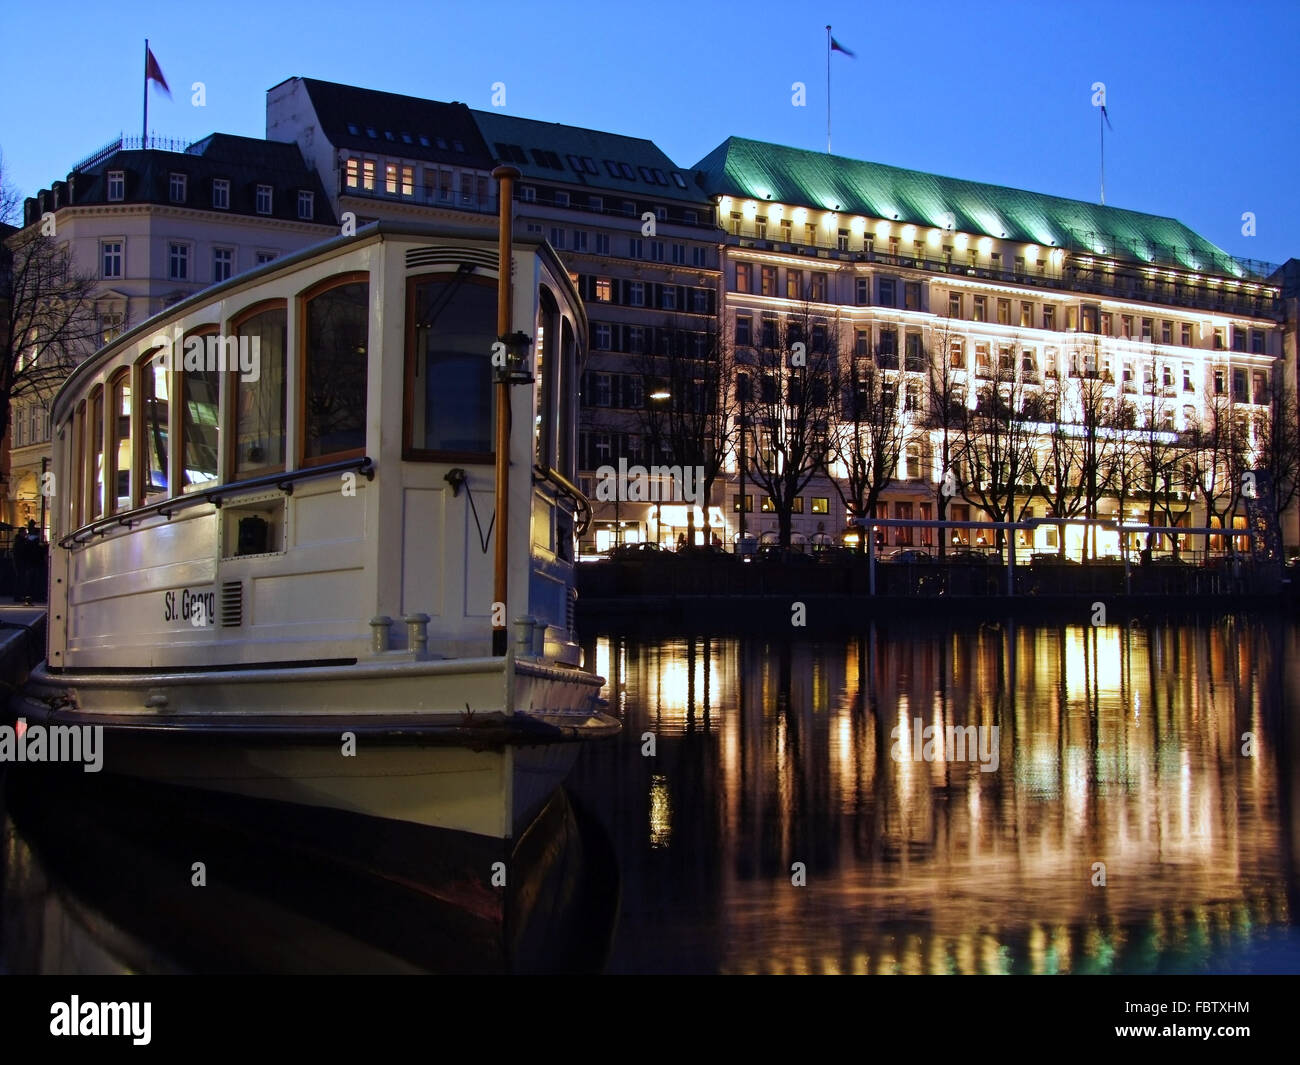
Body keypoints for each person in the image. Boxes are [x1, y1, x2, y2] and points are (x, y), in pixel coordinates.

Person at [12, 520, 42, 605]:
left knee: (21, 579)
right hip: (20, 563)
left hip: (20, 562)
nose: (26, 533)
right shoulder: (20, 541)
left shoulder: (20, 540)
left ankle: (20, 595)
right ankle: (18, 596)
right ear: (21, 532)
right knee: (20, 579)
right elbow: (22, 551)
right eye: (24, 532)